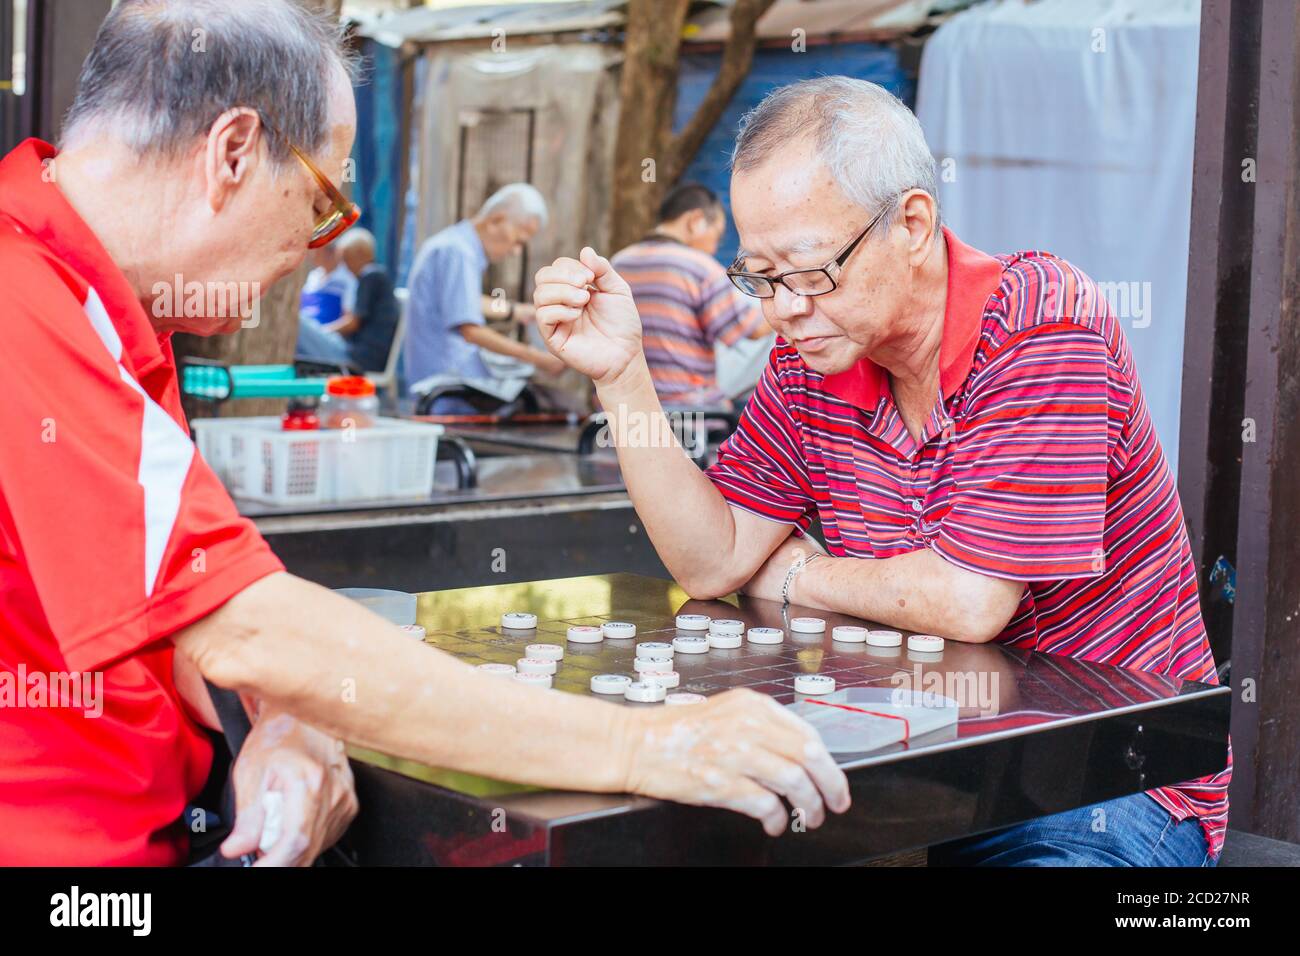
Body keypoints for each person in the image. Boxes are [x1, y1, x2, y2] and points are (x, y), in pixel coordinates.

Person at [0, 0, 847, 866]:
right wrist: (645, 746)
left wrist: (289, 716)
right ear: (232, 152)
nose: (314, 245)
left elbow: (182, 607)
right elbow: (241, 622)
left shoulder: (106, 308)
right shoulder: (21, 297)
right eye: (323, 202)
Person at [533, 76, 1229, 867]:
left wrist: (798, 577)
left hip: (1104, 786)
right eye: (759, 276)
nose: (782, 308)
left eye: (809, 270)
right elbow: (711, 559)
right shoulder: (811, 361)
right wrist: (623, 378)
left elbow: (970, 600)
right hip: (921, 767)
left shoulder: (1044, 320)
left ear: (911, 222)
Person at [404, 184, 565, 413]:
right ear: (496, 220)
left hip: (444, 382)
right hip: (448, 390)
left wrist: (516, 311)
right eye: (518, 240)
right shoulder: (459, 253)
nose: (515, 251)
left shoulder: (452, 244)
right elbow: (471, 331)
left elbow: (463, 301)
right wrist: (538, 359)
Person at [612, 183, 769, 409]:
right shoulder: (699, 268)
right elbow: (753, 330)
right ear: (695, 221)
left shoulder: (618, 263)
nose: (715, 248)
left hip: (621, 411)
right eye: (717, 236)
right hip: (688, 413)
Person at [295, 227, 398, 371]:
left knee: (298, 324)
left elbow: (352, 323)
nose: (346, 267)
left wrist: (322, 332)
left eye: (347, 259)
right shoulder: (376, 276)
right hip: (356, 353)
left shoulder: (370, 276)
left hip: (359, 358)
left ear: (361, 255)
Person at [298, 242, 357, 327]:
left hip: (327, 334)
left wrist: (324, 332)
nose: (310, 253)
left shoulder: (347, 279)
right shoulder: (313, 276)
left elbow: (349, 319)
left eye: (315, 248)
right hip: (305, 329)